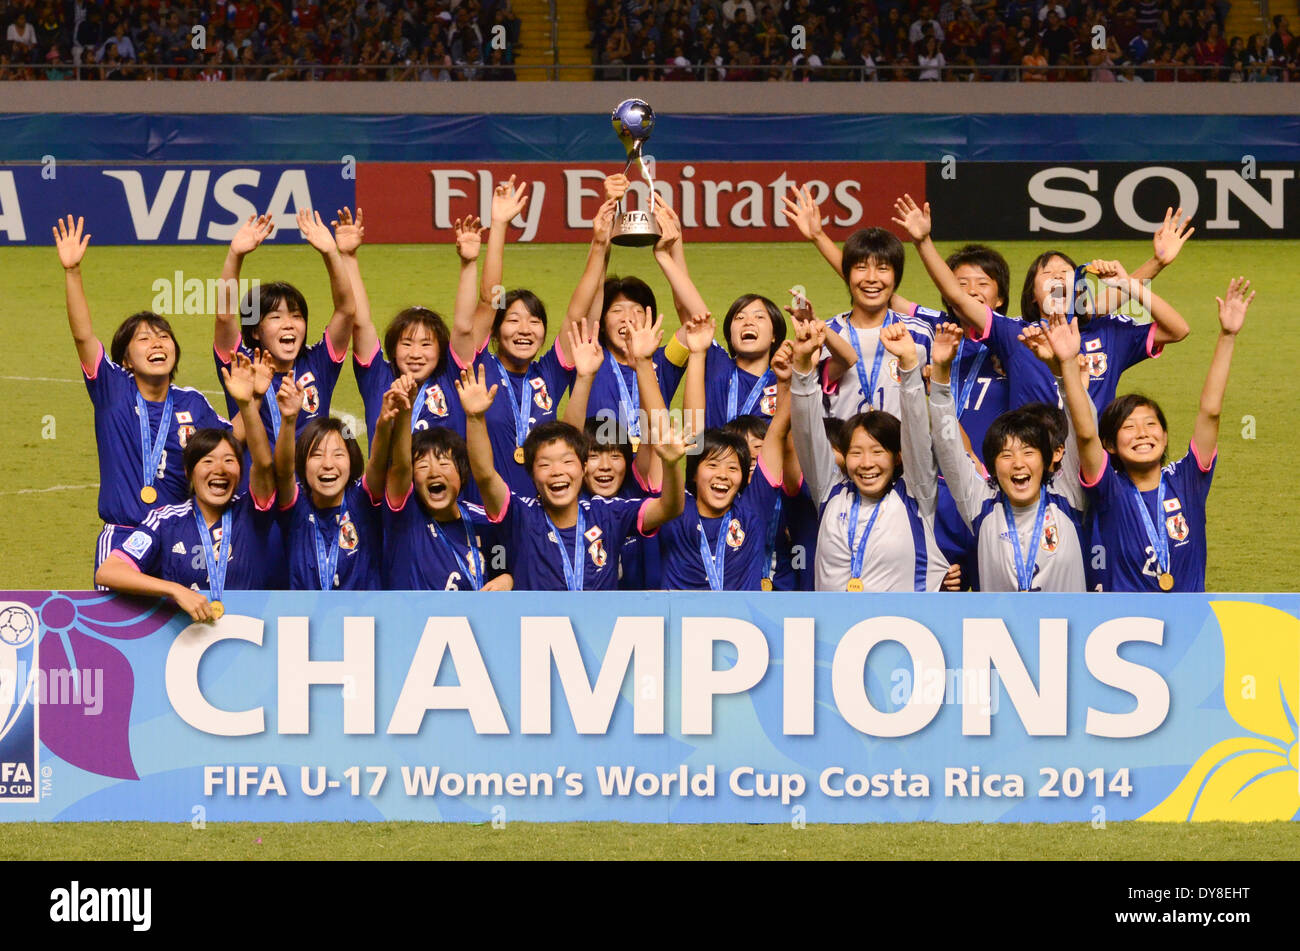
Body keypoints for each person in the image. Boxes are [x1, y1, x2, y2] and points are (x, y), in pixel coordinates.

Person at [54, 215, 231, 583]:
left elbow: (237, 441)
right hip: (122, 534)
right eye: (145, 339)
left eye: (164, 337)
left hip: (178, 537)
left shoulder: (193, 404)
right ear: (126, 359)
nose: (158, 344)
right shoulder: (112, 388)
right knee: (114, 631)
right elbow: (83, 335)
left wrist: (255, 398)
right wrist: (72, 272)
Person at [895, 194, 1191, 413]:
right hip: (1030, 463)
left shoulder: (1110, 334)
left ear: (1079, 288)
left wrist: (1142, 273)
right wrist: (923, 242)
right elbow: (958, 298)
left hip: (1091, 465)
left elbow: (1177, 330)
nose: (1057, 277)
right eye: (1046, 274)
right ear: (1033, 296)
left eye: (1065, 273)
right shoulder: (1016, 335)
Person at [460, 310, 688, 591]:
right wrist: (474, 418)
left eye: (567, 461)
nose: (557, 472)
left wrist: (673, 465)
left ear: (582, 467)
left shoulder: (608, 513)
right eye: (545, 464)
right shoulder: (520, 515)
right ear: (531, 474)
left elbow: (671, 507)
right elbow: (484, 474)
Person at [1051, 279, 1252, 592]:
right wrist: (1066, 364)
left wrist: (1227, 336)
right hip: (1127, 623)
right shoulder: (1108, 489)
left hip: (1190, 621)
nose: (1142, 433)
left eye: (1150, 424)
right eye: (1128, 427)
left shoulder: (1188, 479)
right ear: (1111, 446)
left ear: (1165, 434)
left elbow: (1210, 411)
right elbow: (1086, 434)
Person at [94, 352, 280, 619]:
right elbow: (109, 571)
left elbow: (263, 464)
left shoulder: (251, 513)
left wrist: (248, 404)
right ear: (189, 472)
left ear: (240, 471)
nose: (220, 469)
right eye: (208, 461)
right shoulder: (165, 520)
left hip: (251, 638)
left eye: (229, 460)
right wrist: (174, 591)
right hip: (182, 645)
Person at [455, 177, 600, 495]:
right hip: (482, 513)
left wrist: (601, 244)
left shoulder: (548, 373)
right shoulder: (478, 367)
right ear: (494, 331)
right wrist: (499, 225)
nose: (525, 330)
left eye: (534, 322)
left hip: (538, 515)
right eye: (514, 320)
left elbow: (577, 312)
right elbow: (489, 300)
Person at [791, 320, 949, 591]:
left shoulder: (916, 496)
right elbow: (807, 432)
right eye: (855, 453)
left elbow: (917, 433)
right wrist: (803, 368)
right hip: (835, 633)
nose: (866, 464)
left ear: (897, 457)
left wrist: (909, 367)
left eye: (878, 452)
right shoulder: (830, 492)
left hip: (901, 630)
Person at [928, 323, 1086, 591]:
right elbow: (948, 444)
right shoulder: (979, 503)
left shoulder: (1068, 496)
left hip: (1066, 633)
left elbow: (1083, 432)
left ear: (1048, 459)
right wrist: (940, 377)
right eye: (1006, 455)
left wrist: (1063, 372)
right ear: (992, 464)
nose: (1018, 463)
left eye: (1028, 452)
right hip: (1000, 633)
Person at [780, 185, 934, 422]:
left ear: (896, 277)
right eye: (861, 268)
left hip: (905, 454)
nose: (871, 278)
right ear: (847, 275)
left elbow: (941, 397)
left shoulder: (919, 333)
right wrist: (817, 236)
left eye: (883, 269)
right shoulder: (826, 334)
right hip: (842, 454)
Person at [213, 209, 356, 446]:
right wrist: (235, 255)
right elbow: (224, 317)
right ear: (256, 330)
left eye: (296, 316)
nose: (289, 324)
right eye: (276, 317)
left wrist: (331, 253)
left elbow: (346, 310)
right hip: (254, 483)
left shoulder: (319, 363)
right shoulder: (241, 364)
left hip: (311, 482)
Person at [381, 375, 513, 591]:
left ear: (462, 473)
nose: (433, 472)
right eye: (422, 466)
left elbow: (502, 564)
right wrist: (405, 411)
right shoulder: (404, 517)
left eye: (444, 463)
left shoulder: (485, 523)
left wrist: (507, 578)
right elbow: (400, 468)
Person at [271, 373, 394, 591]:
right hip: (305, 620)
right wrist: (289, 420)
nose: (328, 464)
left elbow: (378, 463)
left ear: (352, 460)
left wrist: (384, 423)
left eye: (338, 454)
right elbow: (282, 473)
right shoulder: (296, 504)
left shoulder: (362, 499)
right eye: (316, 455)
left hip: (361, 621)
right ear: (303, 463)